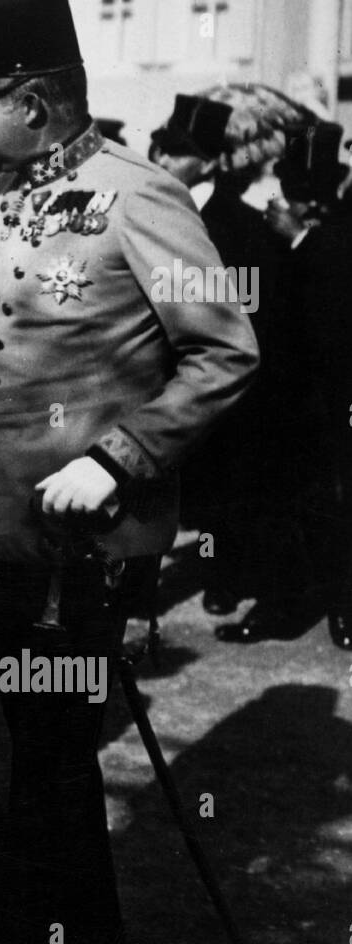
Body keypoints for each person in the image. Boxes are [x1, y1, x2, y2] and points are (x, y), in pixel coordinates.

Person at [0, 0, 260, 944]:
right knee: (47, 729)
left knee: (40, 742)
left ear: (32, 100)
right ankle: (87, 921)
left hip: (86, 530)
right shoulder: (6, 190)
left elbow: (224, 352)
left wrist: (120, 457)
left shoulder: (138, 194)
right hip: (3, 521)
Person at [151, 93, 286, 619]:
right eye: (160, 148)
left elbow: (252, 313)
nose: (162, 160)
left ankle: (227, 576)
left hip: (222, 376)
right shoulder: (158, 213)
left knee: (226, 484)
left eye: (175, 151)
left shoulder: (237, 226)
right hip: (165, 370)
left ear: (206, 162)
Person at [263, 122, 352, 651]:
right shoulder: (273, 226)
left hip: (337, 393)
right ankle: (285, 605)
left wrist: (301, 238)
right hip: (286, 392)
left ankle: (343, 608)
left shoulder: (335, 224)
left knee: (339, 505)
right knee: (285, 504)